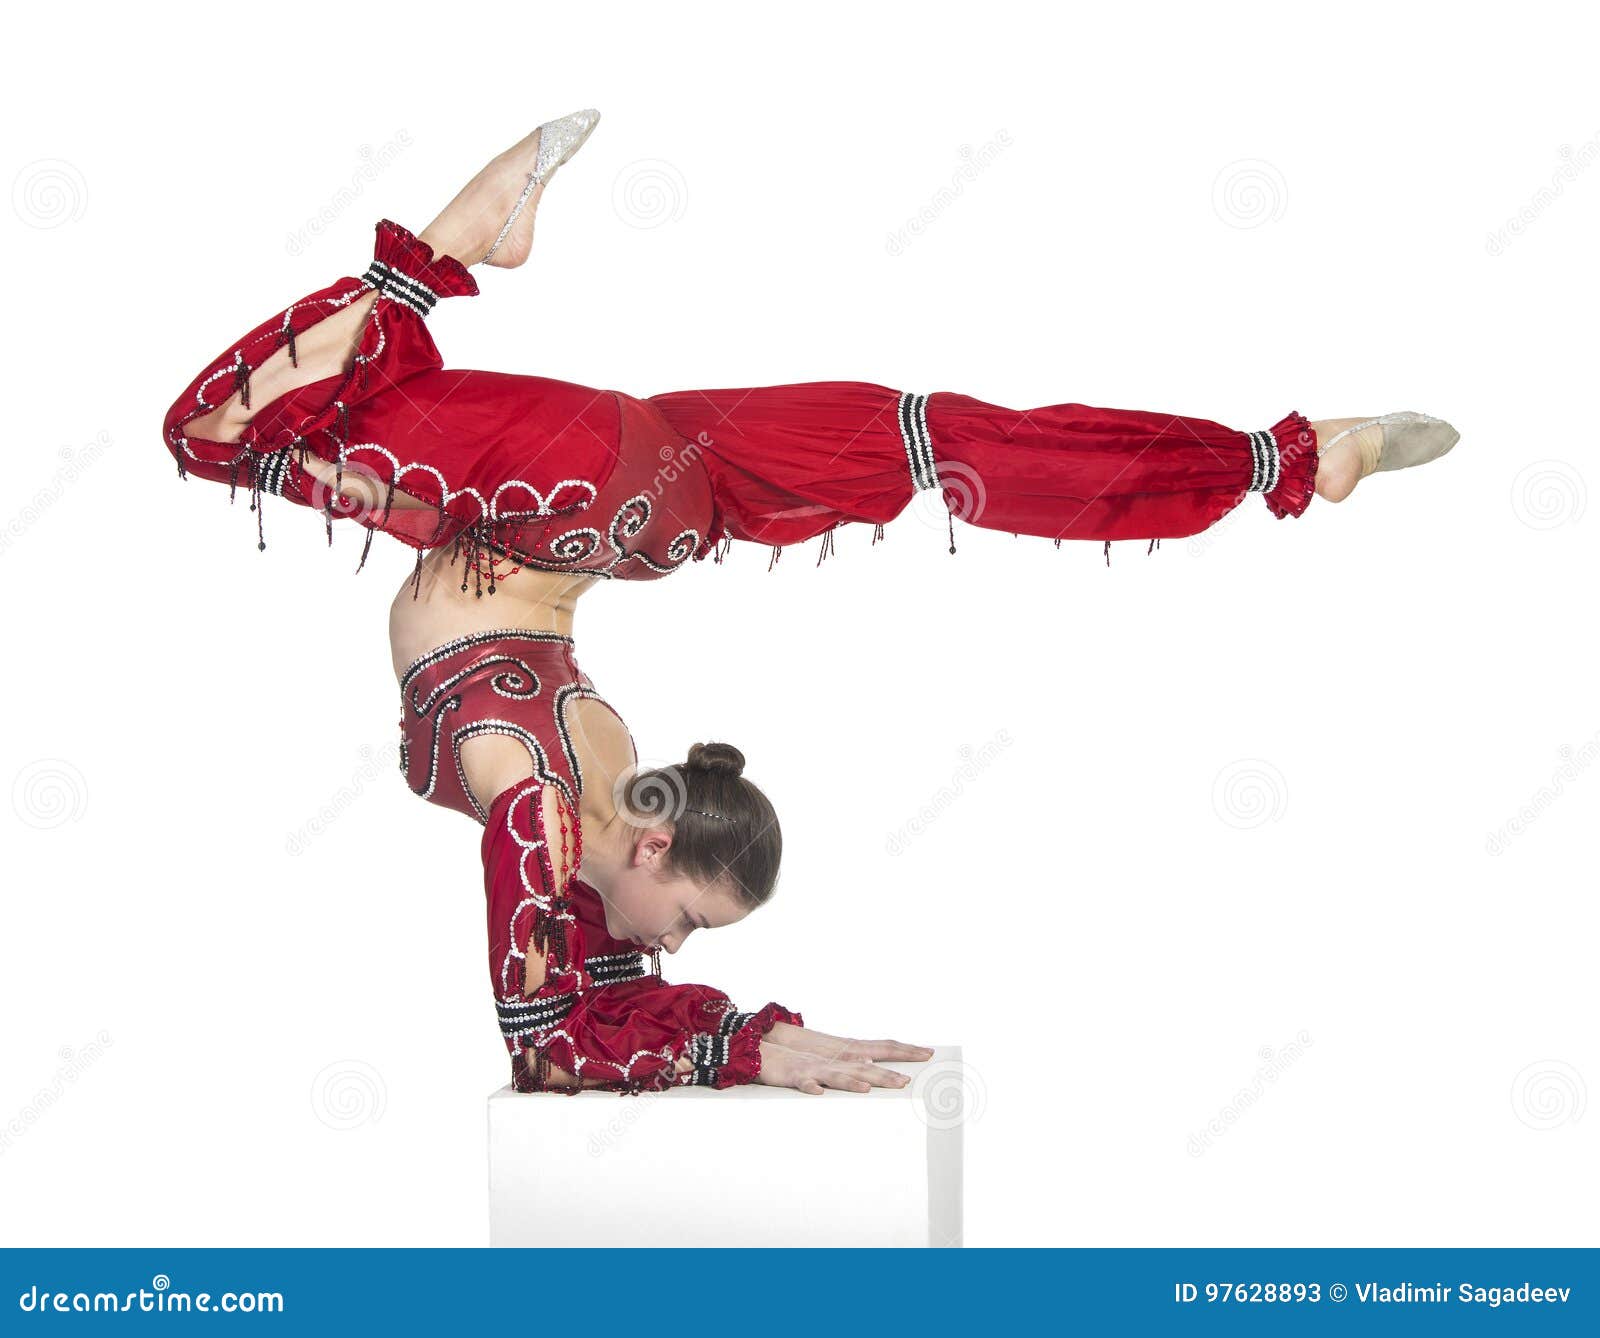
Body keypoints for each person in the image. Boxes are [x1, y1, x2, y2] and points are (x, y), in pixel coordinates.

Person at [159, 110, 1460, 1096]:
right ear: (657, 844)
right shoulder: (561, 810)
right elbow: (564, 1026)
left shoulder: (552, 808)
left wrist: (749, 1041)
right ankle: (1283, 457)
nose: (664, 950)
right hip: (592, 493)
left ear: (657, 845)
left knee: (930, 446)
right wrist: (751, 1044)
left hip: (627, 489)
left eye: (689, 935)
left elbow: (556, 1038)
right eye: (686, 931)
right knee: (218, 430)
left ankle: (1285, 458)